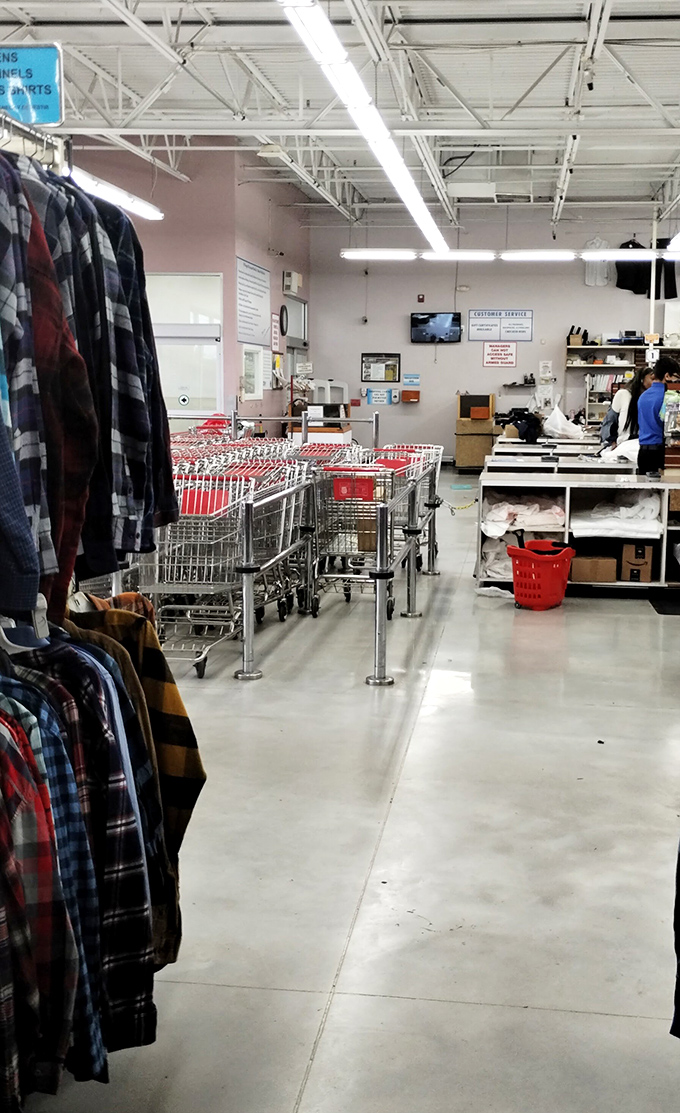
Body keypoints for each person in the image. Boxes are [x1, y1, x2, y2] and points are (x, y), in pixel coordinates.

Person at [636, 356, 680, 474]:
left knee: (645, 491)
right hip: (660, 453)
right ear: (667, 376)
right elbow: (673, 427)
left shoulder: (643, 396)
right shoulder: (671, 397)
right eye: (676, 377)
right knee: (662, 491)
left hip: (643, 453)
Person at [616, 365, 653, 443]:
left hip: (644, 442)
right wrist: (611, 441)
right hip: (624, 441)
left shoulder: (652, 398)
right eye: (652, 379)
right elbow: (611, 420)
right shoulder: (623, 394)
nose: (654, 382)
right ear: (642, 379)